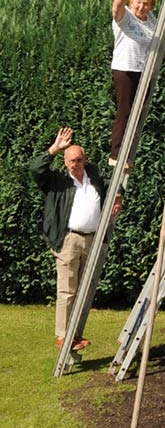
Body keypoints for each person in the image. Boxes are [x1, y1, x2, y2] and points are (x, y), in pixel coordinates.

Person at [31, 126, 122, 349]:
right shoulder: (57, 181)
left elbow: (113, 183)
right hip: (69, 240)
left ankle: (76, 335)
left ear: (85, 159)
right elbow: (36, 170)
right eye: (71, 160)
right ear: (65, 162)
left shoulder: (94, 174)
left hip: (93, 239)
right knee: (67, 290)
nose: (76, 164)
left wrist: (118, 196)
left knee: (84, 290)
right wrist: (54, 148)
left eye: (79, 160)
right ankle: (63, 336)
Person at [110, 0, 157, 166]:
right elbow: (115, 9)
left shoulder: (151, 19)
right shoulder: (126, 16)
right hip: (125, 68)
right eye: (138, 2)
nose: (141, 7)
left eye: (146, 4)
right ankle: (116, 155)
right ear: (132, 2)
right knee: (125, 110)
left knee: (138, 113)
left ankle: (128, 152)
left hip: (143, 70)